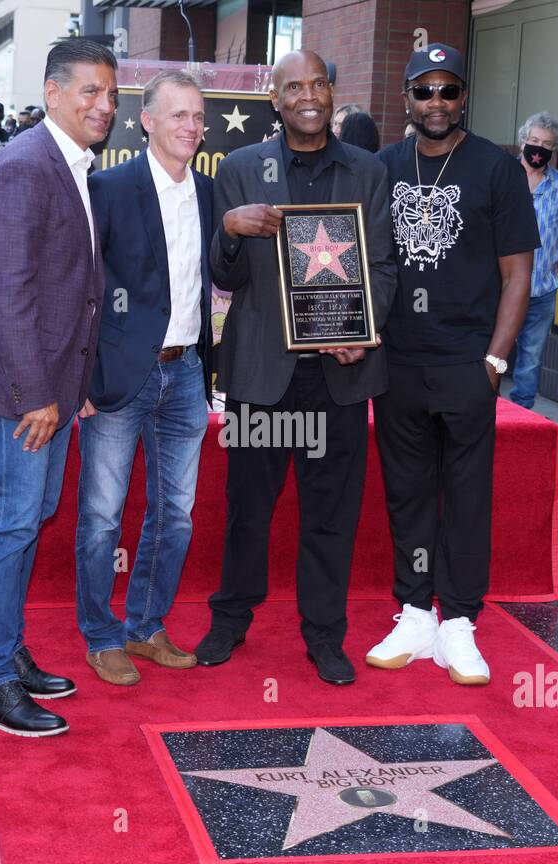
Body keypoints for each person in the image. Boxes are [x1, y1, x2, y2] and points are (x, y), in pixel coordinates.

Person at [197, 50, 397, 685]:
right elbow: (223, 275)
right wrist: (230, 229)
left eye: (318, 84)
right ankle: (230, 619)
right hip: (262, 376)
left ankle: (325, 635)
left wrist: (362, 333)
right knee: (247, 507)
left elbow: (385, 267)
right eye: (293, 87)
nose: (308, 95)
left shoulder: (369, 171)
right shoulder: (238, 169)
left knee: (331, 515)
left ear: (331, 93)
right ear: (276, 100)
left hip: (338, 380)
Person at [0, 38, 117, 738]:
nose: (104, 106)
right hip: (17, 390)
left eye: (110, 94)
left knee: (28, 516)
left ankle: (7, 653)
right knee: (11, 521)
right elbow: (5, 292)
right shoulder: (23, 168)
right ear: (52, 92)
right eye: (89, 93)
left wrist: (68, 384)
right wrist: (35, 394)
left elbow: (67, 292)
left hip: (47, 384)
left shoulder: (69, 163)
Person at [366, 44, 538, 686]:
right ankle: (414, 611)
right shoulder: (384, 166)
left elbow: (518, 273)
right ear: (406, 99)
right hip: (399, 362)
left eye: (447, 90)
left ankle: (459, 622)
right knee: (407, 491)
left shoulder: (495, 167)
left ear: (463, 97)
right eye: (423, 90)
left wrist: (496, 357)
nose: (435, 102)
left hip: (468, 359)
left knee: (466, 494)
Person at [76, 69, 216, 686]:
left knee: (177, 514)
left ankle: (145, 625)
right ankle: (100, 634)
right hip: (118, 375)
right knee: (103, 516)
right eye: (179, 115)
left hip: (185, 372)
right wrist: (76, 374)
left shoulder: (210, 193)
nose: (191, 126)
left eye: (198, 116)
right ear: (148, 121)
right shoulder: (107, 187)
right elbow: (81, 288)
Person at [511, 112, 558, 409]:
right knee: (492, 353)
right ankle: (484, 414)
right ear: (522, 141)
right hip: (501, 288)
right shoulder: (503, 175)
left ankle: (521, 416)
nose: (538, 148)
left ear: (554, 149)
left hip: (542, 290)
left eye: (546, 144)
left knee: (530, 359)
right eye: (533, 141)